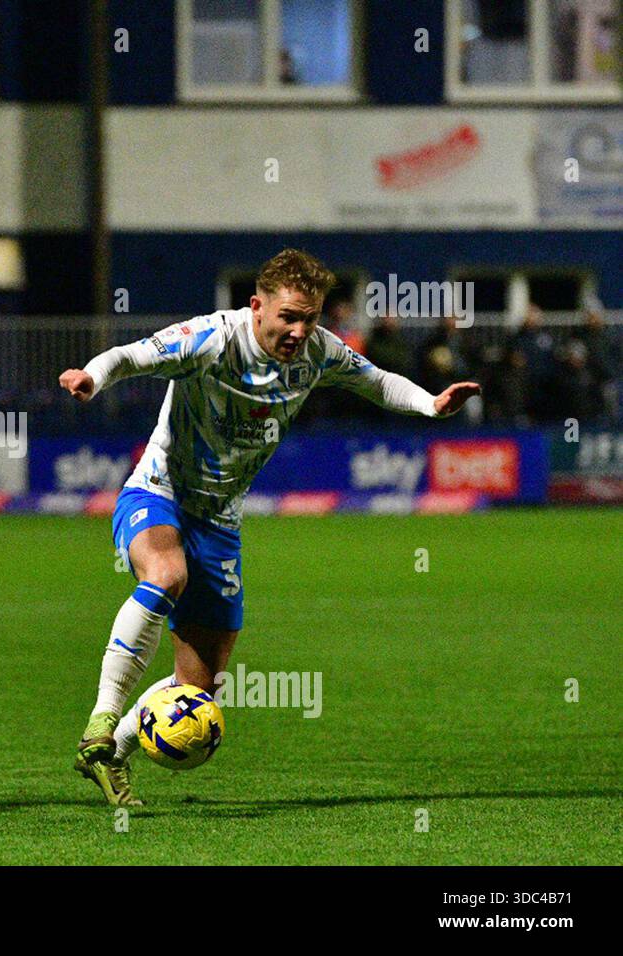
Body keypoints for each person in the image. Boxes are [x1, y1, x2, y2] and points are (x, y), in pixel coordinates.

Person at [59, 249, 480, 806]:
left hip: (221, 521)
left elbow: (376, 383)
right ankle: (102, 715)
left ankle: (109, 753)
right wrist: (92, 376)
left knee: (200, 688)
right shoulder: (210, 339)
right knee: (166, 573)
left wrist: (430, 404)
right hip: (159, 491)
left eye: (311, 318)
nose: (300, 330)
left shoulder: (318, 354)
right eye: (289, 317)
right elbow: (131, 356)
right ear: (257, 307)